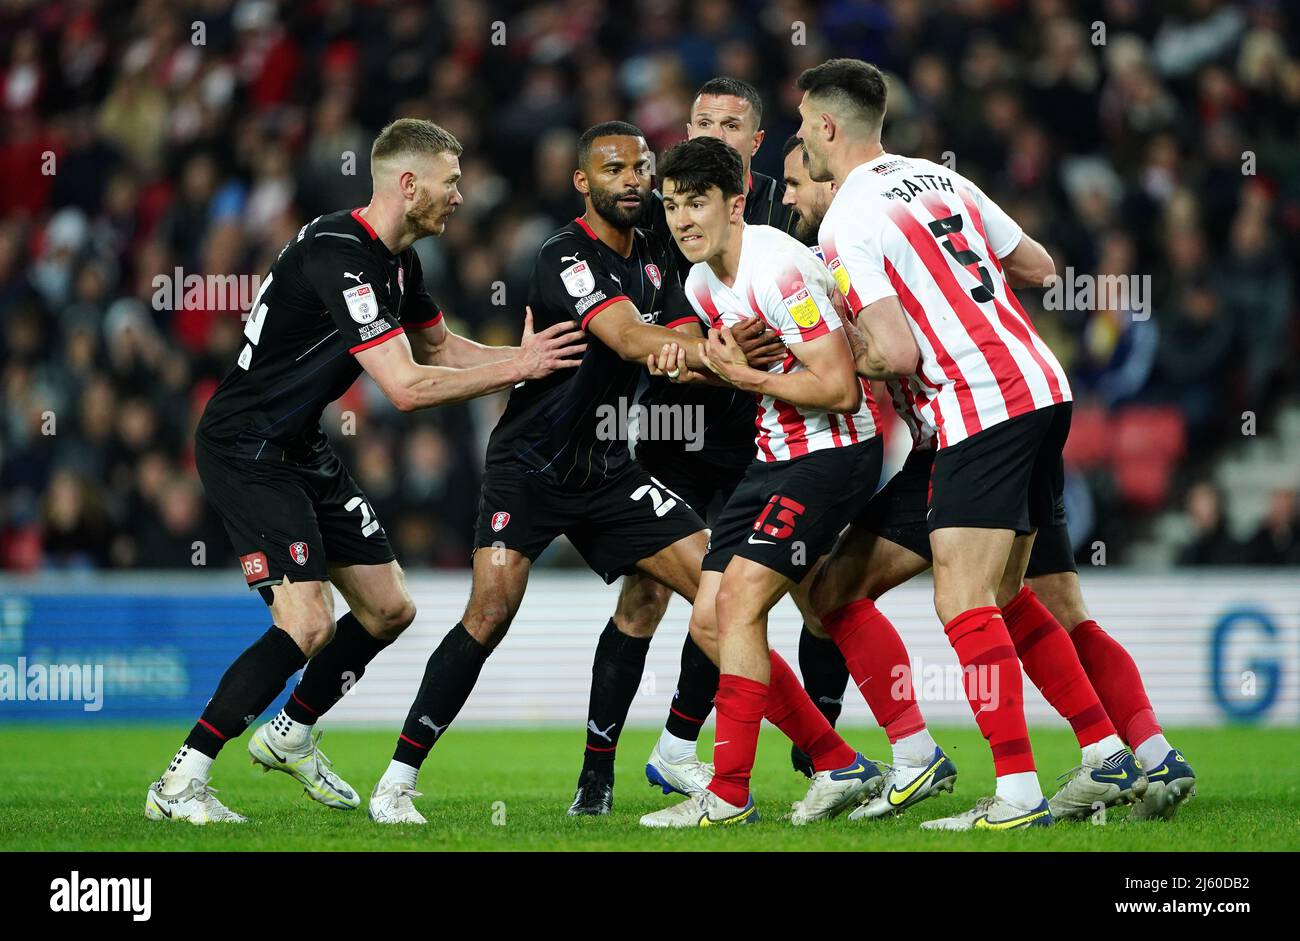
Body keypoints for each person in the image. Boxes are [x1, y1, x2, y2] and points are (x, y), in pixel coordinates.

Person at [145, 119, 586, 825]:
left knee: (388, 608)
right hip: (246, 446)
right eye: (450, 182)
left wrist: (530, 357)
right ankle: (180, 779)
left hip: (299, 446)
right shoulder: (338, 252)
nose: (460, 196)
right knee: (309, 623)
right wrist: (518, 368)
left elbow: (438, 351)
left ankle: (291, 731)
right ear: (408, 185)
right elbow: (406, 388)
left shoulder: (400, 264)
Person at [366, 122, 778, 824]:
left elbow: (676, 334)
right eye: (613, 168)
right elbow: (627, 336)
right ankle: (397, 778)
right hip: (530, 465)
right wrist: (718, 355)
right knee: (490, 610)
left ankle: (606, 777)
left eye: (641, 167)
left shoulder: (656, 249)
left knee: (719, 591)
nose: (631, 179)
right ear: (583, 182)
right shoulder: (564, 256)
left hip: (609, 466)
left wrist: (700, 348)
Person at [799, 58, 1146, 830]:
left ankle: (1017, 793)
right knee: (1004, 594)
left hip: (979, 406)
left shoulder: (846, 219)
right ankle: (1104, 755)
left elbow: (899, 354)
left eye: (801, 129)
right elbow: (1038, 266)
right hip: (1041, 385)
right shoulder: (936, 178)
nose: (803, 144)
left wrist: (831, 351)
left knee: (963, 601)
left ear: (827, 127)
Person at [639, 136, 882, 827]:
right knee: (714, 623)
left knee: (742, 600)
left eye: (697, 203)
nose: (683, 220)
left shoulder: (777, 268)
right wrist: (697, 368)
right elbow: (749, 368)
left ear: (737, 203)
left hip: (832, 452)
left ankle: (728, 793)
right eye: (673, 206)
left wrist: (735, 373)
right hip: (774, 457)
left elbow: (838, 389)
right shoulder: (698, 282)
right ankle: (838, 763)